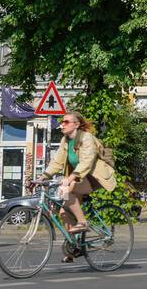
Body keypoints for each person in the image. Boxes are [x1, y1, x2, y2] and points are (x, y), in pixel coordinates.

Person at [42, 111, 117, 262]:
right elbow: (57, 162)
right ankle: (75, 247)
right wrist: (42, 177)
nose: (62, 124)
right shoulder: (65, 141)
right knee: (63, 212)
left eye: (66, 122)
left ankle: (83, 222)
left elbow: (86, 162)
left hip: (93, 177)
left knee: (68, 190)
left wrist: (70, 178)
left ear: (76, 124)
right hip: (78, 177)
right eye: (62, 122)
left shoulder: (86, 138)